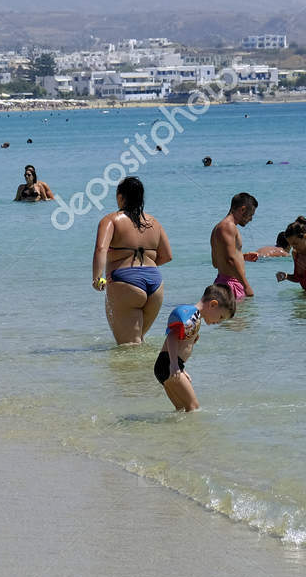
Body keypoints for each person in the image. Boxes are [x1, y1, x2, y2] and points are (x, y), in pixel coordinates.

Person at [92, 176, 173, 345]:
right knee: (138, 341)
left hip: (125, 281)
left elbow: (101, 249)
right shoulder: (154, 223)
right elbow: (167, 256)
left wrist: (97, 277)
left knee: (129, 346)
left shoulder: (111, 220)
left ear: (120, 197)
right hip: (155, 283)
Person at [154, 284, 236, 412]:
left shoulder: (196, 319)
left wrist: (180, 367)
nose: (218, 322)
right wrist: (174, 365)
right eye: (220, 317)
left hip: (165, 365)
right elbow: (171, 337)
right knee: (194, 407)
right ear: (213, 304)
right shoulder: (191, 317)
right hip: (169, 363)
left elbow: (181, 345)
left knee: (181, 409)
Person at [210, 192, 258, 303]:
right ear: (242, 209)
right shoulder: (228, 227)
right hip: (231, 285)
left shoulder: (218, 228)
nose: (251, 219)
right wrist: (246, 286)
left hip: (222, 282)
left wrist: (242, 257)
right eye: (251, 214)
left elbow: (216, 263)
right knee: (241, 315)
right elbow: (230, 259)